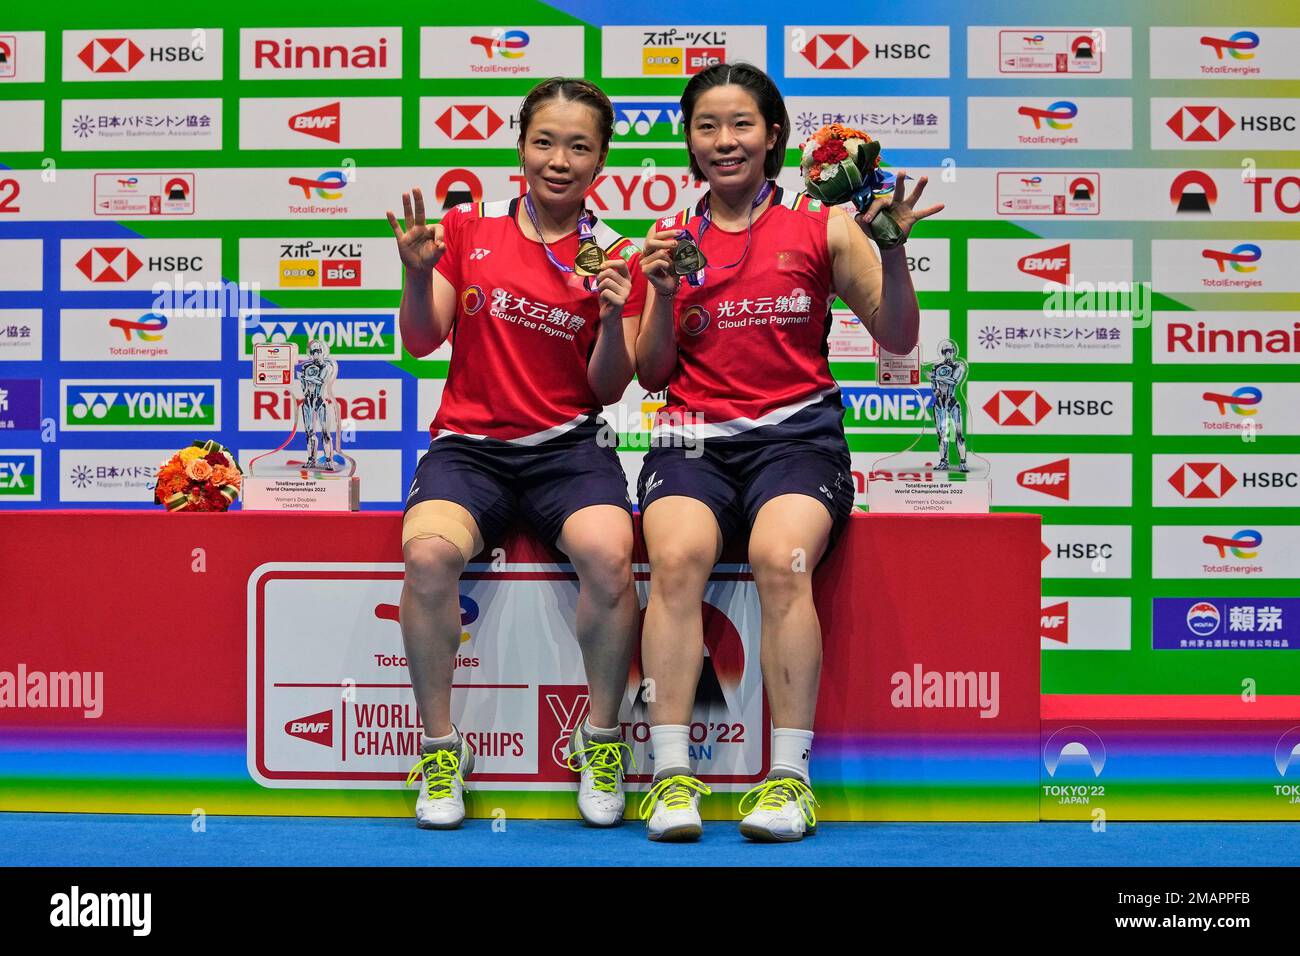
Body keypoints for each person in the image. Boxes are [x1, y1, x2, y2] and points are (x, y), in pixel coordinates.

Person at [634, 63, 943, 842]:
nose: (724, 141)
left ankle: (789, 780)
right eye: (707, 126)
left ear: (774, 136)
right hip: (691, 437)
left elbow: (900, 336)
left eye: (742, 125)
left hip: (796, 438)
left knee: (783, 559)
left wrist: (895, 251)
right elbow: (649, 373)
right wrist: (663, 295)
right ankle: (671, 777)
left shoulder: (824, 223)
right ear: (690, 139)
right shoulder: (672, 238)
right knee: (675, 560)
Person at [386, 77, 646, 830]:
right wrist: (414, 271)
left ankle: (600, 738)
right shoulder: (468, 230)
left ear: (602, 161)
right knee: (429, 557)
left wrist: (607, 315)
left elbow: (610, 385)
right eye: (545, 141)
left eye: (579, 146)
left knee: (607, 553)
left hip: (569, 447)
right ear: (520, 145)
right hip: (470, 448)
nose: (559, 160)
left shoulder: (613, 256)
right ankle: (440, 749)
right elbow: (421, 338)